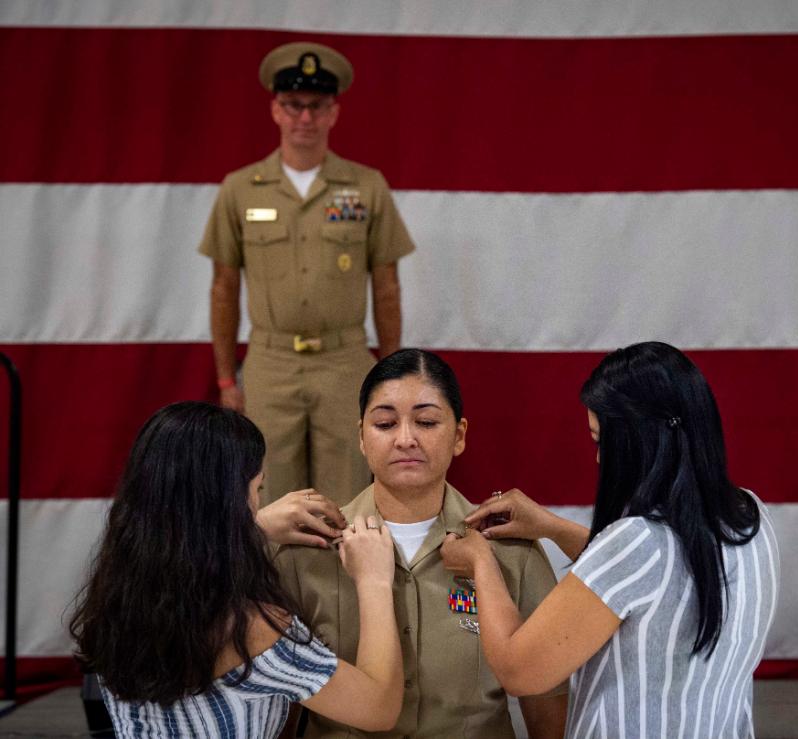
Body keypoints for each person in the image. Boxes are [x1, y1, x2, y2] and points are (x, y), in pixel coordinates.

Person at [441, 341, 780, 738]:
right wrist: (551, 526)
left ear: (639, 439)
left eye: (602, 441)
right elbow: (659, 584)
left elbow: (519, 670)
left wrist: (481, 563)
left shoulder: (637, 542)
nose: (600, 459)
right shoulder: (750, 517)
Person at [275, 349, 568, 738]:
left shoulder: (511, 550)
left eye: (427, 421)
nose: (406, 439)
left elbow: (547, 704)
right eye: (385, 423)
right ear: (361, 436)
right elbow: (280, 707)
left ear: (459, 435)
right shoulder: (308, 549)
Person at [68, 401, 403, 737]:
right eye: (256, 489)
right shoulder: (250, 628)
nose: (259, 500)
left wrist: (252, 528)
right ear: (227, 503)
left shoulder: (118, 594)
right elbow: (378, 708)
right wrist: (373, 580)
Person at [199, 40, 416, 507]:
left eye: (316, 106)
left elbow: (387, 287)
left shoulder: (365, 186)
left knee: (350, 498)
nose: (304, 118)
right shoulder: (241, 189)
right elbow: (223, 288)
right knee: (267, 496)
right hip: (270, 365)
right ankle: (272, 586)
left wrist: (392, 374)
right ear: (275, 110)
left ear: (333, 113)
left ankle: (347, 582)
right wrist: (224, 379)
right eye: (293, 105)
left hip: (344, 363)